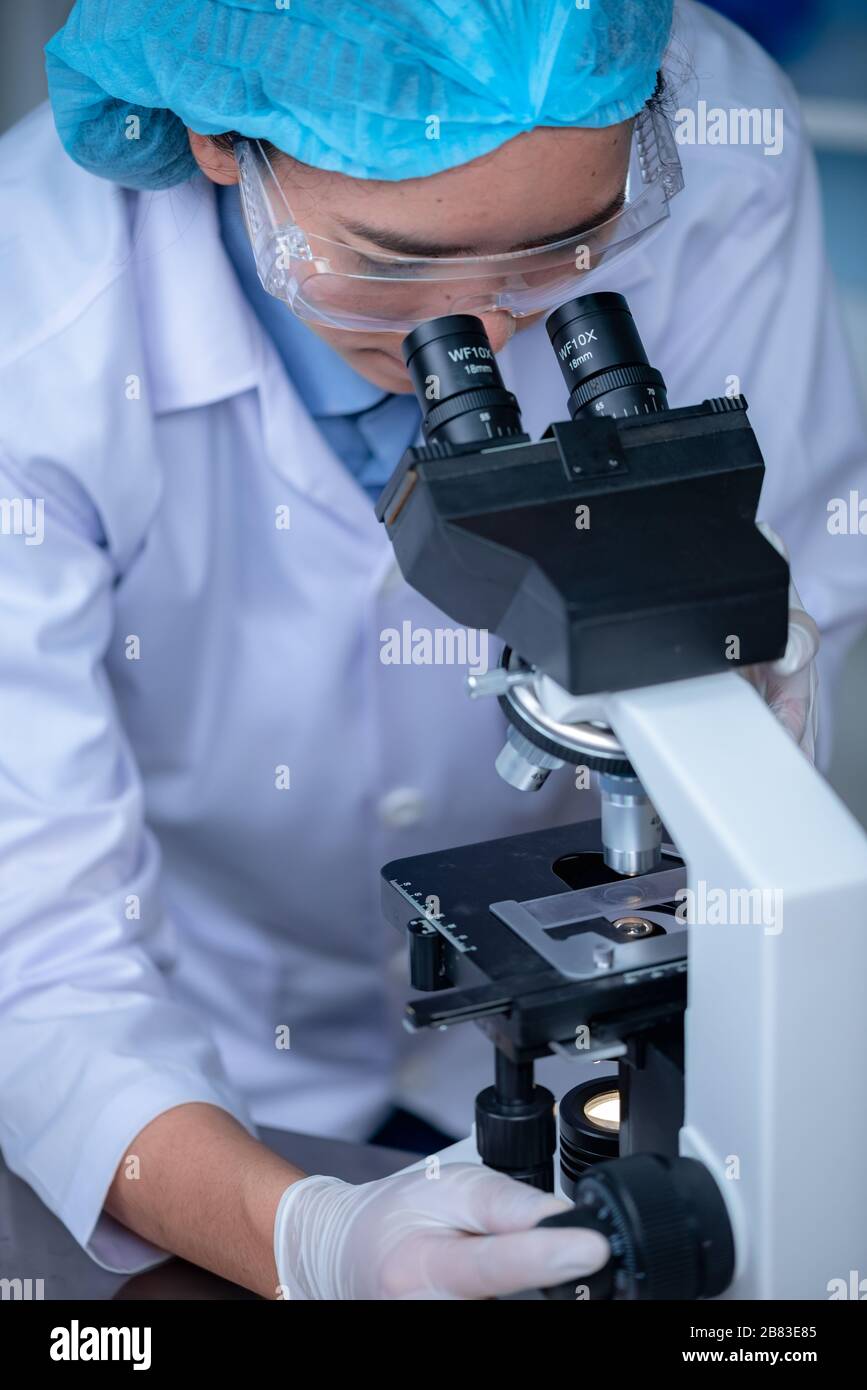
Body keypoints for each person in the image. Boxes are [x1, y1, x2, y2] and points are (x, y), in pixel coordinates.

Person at [0, 0, 862, 1300]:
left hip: (590, 1035)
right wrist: (310, 1242)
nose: (492, 330)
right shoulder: (36, 312)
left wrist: (748, 691)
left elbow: (796, 582)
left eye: (566, 250)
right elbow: (38, 956)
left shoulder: (725, 151)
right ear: (223, 141)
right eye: (397, 266)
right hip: (213, 1057)